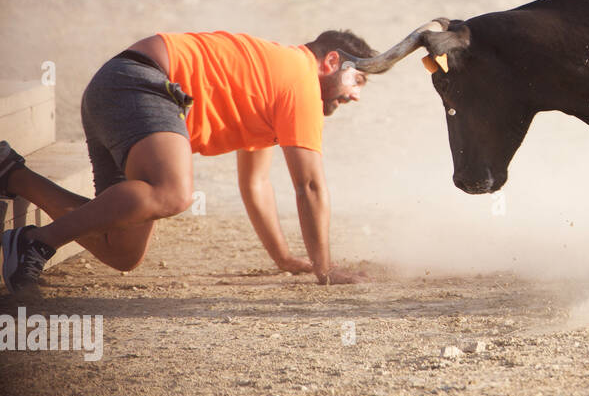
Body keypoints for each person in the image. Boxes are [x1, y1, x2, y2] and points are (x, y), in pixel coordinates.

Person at [1, 30, 379, 296]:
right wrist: (324, 270)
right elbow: (309, 186)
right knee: (174, 193)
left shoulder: (278, 83)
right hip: (140, 82)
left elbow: (255, 184)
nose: (357, 96)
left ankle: (12, 174)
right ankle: (35, 242)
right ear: (331, 61)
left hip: (117, 88)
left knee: (122, 250)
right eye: (357, 79)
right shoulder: (300, 78)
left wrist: (282, 257)